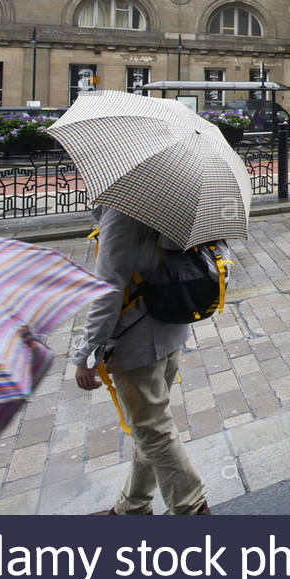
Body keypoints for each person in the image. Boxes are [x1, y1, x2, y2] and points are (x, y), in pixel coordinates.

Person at [73, 206, 210, 515]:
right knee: (149, 429)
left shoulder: (123, 210)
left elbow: (107, 288)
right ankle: (133, 507)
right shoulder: (172, 200)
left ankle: (193, 509)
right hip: (172, 327)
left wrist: (87, 353)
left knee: (154, 433)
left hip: (136, 341)